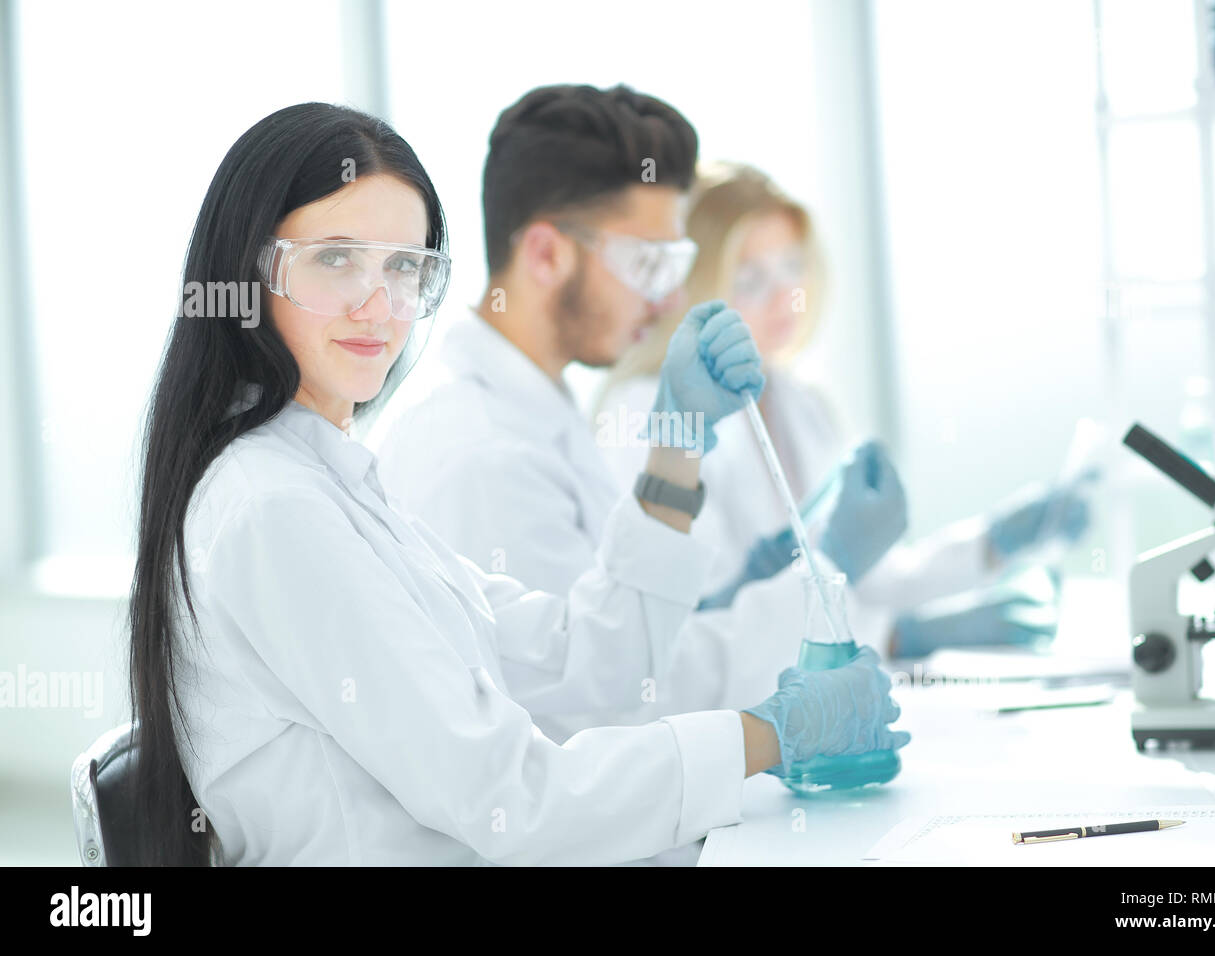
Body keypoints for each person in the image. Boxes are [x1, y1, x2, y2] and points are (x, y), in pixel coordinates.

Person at [126, 102, 907, 866]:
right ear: (250, 271)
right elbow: (516, 801)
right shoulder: (275, 507)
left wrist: (675, 453)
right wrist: (773, 733)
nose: (380, 306)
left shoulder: (336, 481)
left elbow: (588, 664)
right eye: (336, 259)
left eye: (405, 267)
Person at [375, 86, 906, 748]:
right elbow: (612, 710)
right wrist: (824, 575)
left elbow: (623, 644)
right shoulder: (481, 455)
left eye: (675, 265)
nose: (671, 300)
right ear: (546, 255)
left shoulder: (538, 414)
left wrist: (732, 593)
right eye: (647, 263)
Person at [598, 162, 1094, 658]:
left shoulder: (801, 401)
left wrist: (991, 543)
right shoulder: (649, 411)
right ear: (695, 288)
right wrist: (901, 637)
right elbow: (702, 626)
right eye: (750, 279)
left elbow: (861, 577)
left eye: (792, 267)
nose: (785, 297)